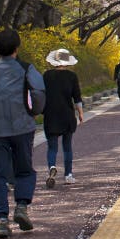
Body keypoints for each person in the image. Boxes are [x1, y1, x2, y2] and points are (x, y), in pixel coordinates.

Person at [0, 29, 46, 239]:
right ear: (17, 47)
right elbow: (39, 92)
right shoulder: (25, 68)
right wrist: (34, 111)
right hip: (22, 126)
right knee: (24, 169)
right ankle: (22, 206)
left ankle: (1, 219)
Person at [42, 48, 84, 187]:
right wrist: (80, 113)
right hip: (67, 114)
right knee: (67, 147)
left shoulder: (46, 75)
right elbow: (77, 97)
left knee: (52, 147)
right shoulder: (72, 76)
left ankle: (52, 167)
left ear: (54, 61)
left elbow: (41, 94)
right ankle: (68, 175)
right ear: (67, 62)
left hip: (50, 115)